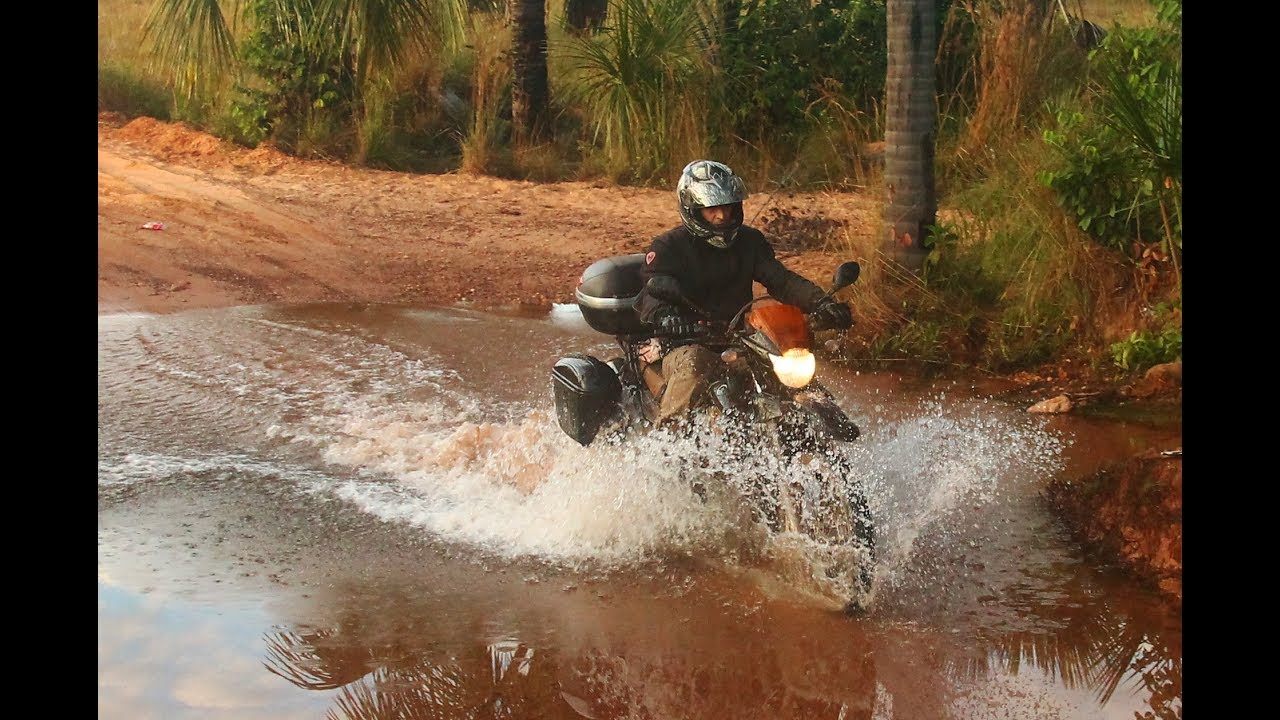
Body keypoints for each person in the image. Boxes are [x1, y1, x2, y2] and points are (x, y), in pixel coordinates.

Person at [634, 159, 853, 426]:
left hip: (739, 336)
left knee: (787, 367)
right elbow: (653, 288)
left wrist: (822, 302)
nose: (721, 216)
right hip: (683, 342)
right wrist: (666, 316)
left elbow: (781, 280)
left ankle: (828, 433)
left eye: (727, 207)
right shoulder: (669, 247)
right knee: (695, 364)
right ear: (692, 209)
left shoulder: (749, 241)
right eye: (712, 209)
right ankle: (670, 443)